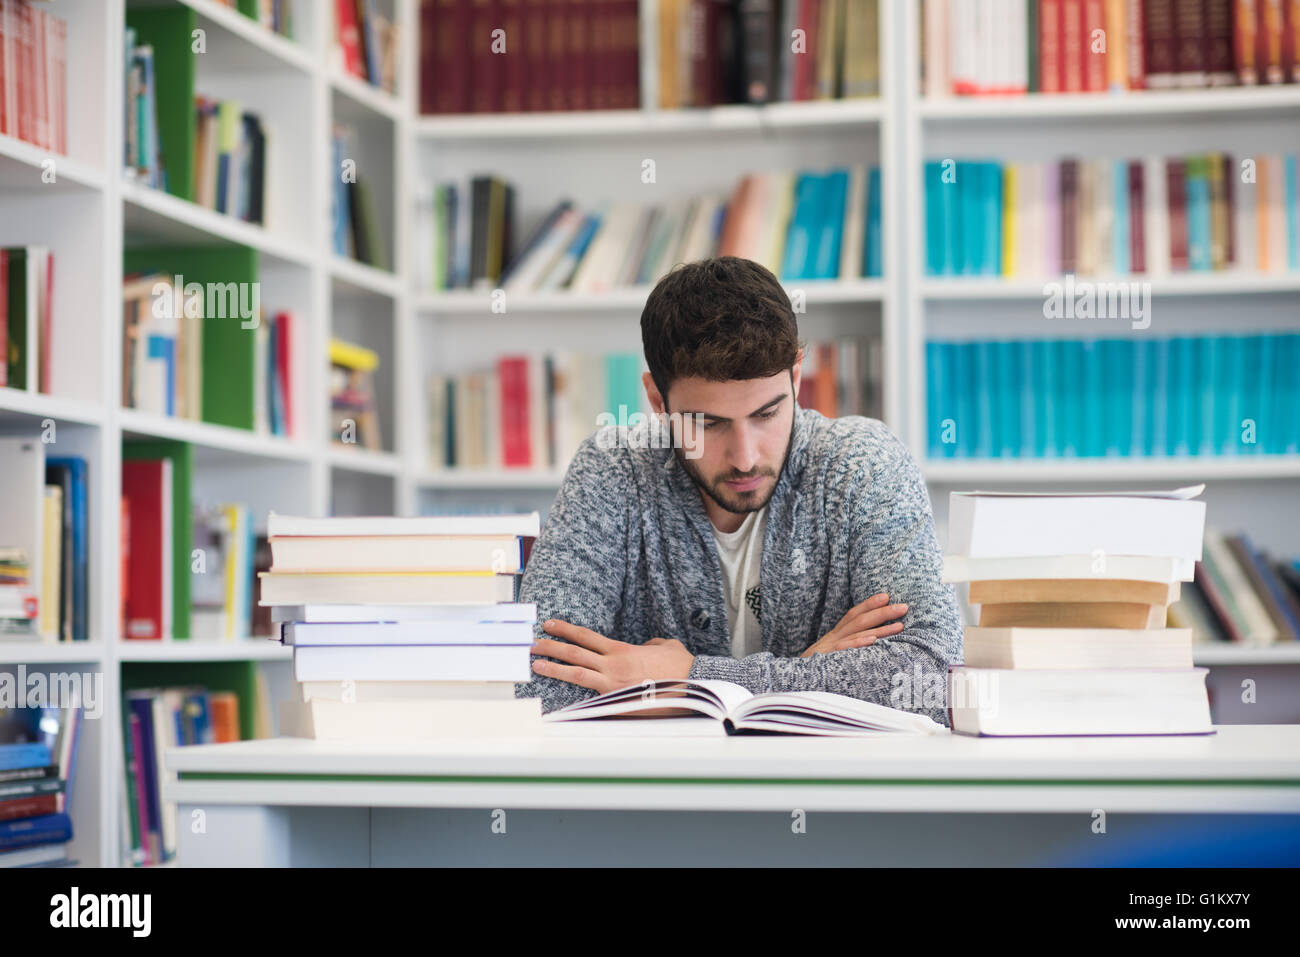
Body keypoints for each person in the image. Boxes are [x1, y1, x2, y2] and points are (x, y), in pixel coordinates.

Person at [515, 256, 962, 724]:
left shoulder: (861, 464)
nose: (745, 456)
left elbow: (931, 678)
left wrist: (692, 681)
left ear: (795, 375)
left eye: (767, 414)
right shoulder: (612, 469)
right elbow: (534, 681)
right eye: (709, 423)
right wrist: (808, 671)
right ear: (657, 400)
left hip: (834, 792)